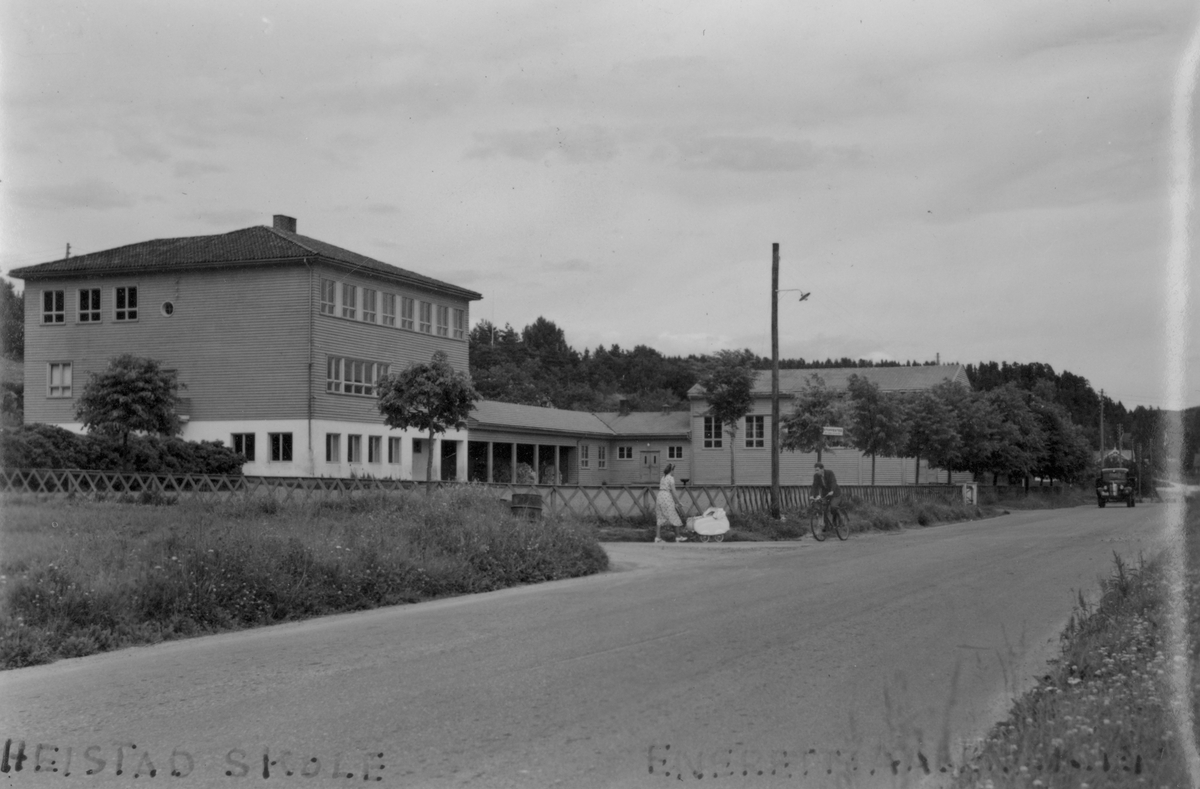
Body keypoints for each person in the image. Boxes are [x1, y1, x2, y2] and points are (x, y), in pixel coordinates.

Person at [655, 463, 687, 543]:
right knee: (674, 515)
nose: (674, 472)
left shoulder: (663, 477)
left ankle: (658, 538)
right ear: (671, 470)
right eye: (674, 470)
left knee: (660, 517)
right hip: (666, 496)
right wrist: (679, 501)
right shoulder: (671, 478)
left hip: (659, 496)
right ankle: (678, 537)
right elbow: (674, 491)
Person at [811, 462, 841, 530]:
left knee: (833, 507)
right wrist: (812, 495)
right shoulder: (816, 476)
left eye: (817, 470)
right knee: (822, 509)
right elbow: (814, 486)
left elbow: (834, 482)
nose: (816, 472)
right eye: (815, 470)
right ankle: (826, 526)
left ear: (822, 469)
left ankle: (836, 521)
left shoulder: (829, 473)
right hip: (826, 494)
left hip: (835, 493)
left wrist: (832, 490)